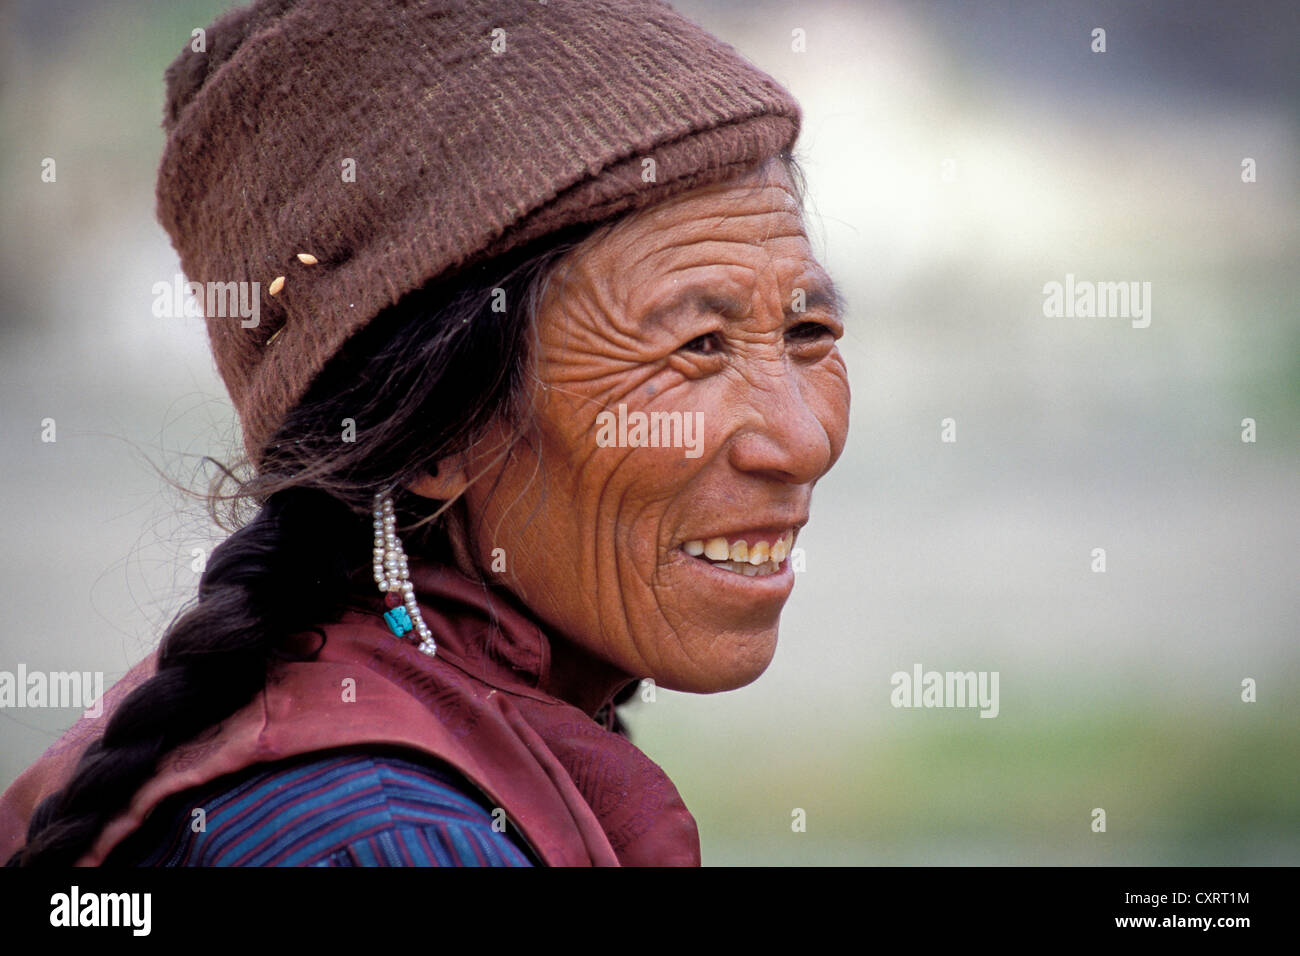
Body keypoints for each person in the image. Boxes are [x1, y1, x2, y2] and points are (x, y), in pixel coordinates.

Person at [1, 0, 849, 867]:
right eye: (697, 346)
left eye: (808, 333)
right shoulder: (388, 840)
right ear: (436, 437)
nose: (801, 441)